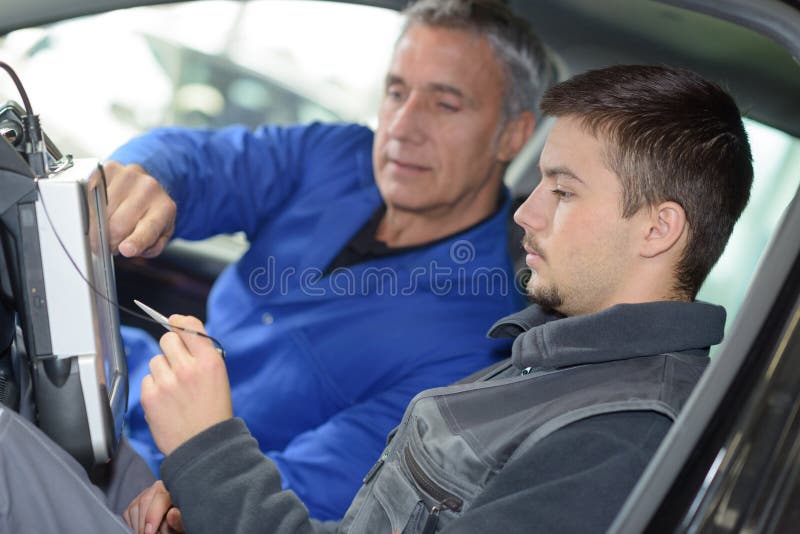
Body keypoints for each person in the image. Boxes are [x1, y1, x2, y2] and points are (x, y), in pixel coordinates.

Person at [0, 63, 752, 534]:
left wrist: (206, 453)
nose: (527, 213)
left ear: (659, 228)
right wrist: (143, 179)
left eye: (561, 191)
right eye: (397, 90)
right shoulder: (548, 361)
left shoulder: (619, 434)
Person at [104, 0, 546, 519]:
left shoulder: (477, 341)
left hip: (164, 485)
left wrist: (190, 488)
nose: (402, 126)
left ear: (513, 135)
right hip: (121, 383)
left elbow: (316, 492)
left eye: (446, 105)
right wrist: (146, 176)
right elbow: (208, 162)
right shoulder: (338, 156)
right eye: (397, 92)